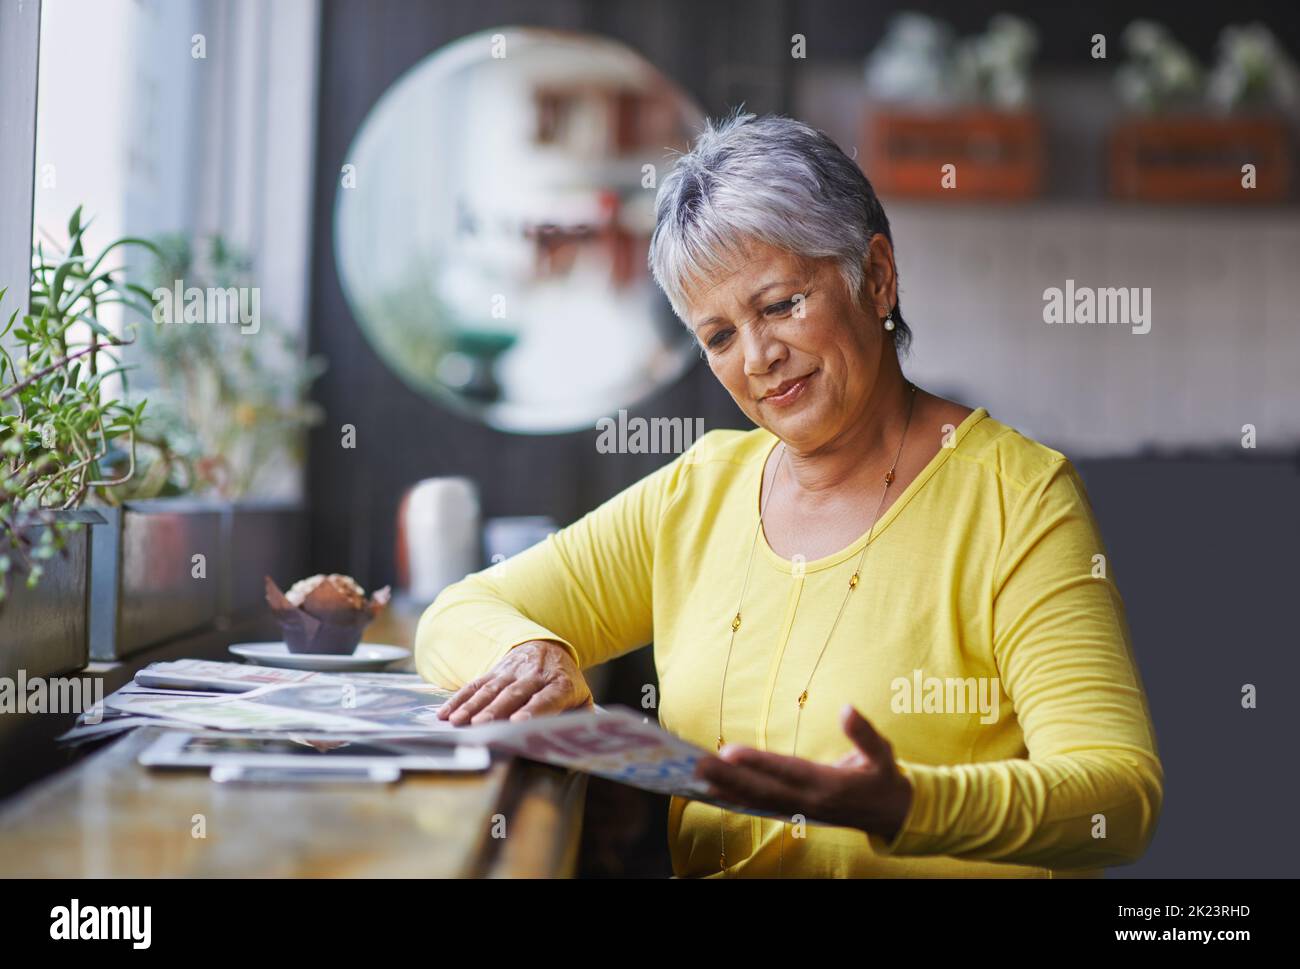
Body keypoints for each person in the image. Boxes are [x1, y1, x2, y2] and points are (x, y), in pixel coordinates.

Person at [416, 111, 1163, 877]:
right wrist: (528, 652)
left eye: (780, 305)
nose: (760, 357)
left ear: (876, 277)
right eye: (720, 337)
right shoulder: (697, 495)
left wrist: (903, 806)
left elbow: (1119, 800)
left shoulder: (1019, 500)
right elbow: (451, 614)